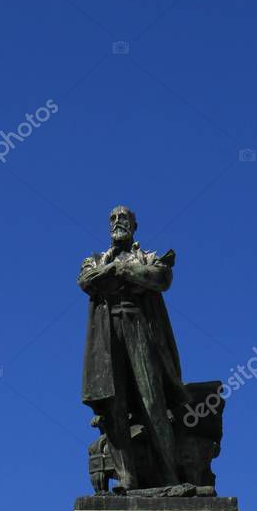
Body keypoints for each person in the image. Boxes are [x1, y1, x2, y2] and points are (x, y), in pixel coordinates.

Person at [79, 206, 189, 490]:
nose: (118, 222)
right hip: (107, 336)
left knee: (153, 402)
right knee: (113, 405)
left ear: (135, 225)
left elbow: (161, 278)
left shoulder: (147, 257)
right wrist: (124, 272)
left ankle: (170, 476)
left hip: (141, 329)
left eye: (124, 218)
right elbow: (87, 281)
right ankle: (127, 479)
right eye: (113, 218)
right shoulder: (95, 259)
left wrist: (122, 269)